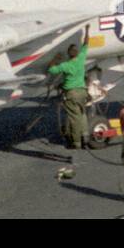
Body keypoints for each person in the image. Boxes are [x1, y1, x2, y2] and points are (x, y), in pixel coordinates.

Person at [48, 26, 92, 177]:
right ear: (77, 53)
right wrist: (88, 30)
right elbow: (86, 43)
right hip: (82, 92)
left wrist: (55, 59)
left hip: (71, 94)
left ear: (68, 54)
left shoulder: (65, 65)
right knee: (82, 113)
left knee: (73, 118)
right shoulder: (81, 59)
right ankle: (85, 135)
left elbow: (51, 70)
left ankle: (76, 143)